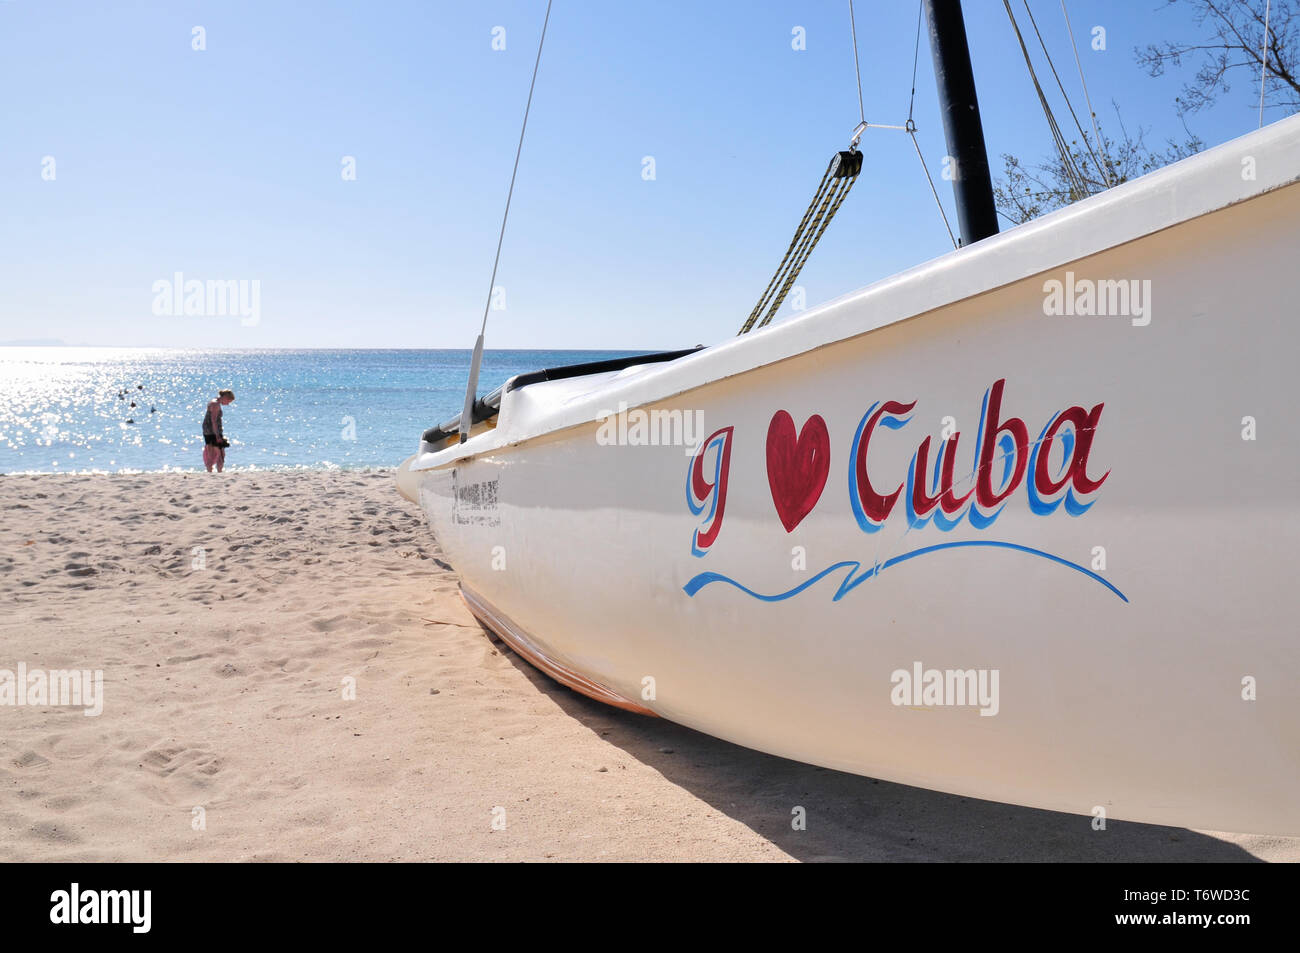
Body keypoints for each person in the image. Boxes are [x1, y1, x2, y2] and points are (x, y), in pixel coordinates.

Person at [202, 389, 235, 472]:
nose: (228, 404)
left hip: (208, 430)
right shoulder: (215, 404)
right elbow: (213, 421)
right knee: (220, 453)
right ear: (224, 397)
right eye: (228, 401)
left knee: (212, 452)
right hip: (212, 431)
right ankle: (218, 472)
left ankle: (211, 472)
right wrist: (217, 436)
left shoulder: (214, 402)